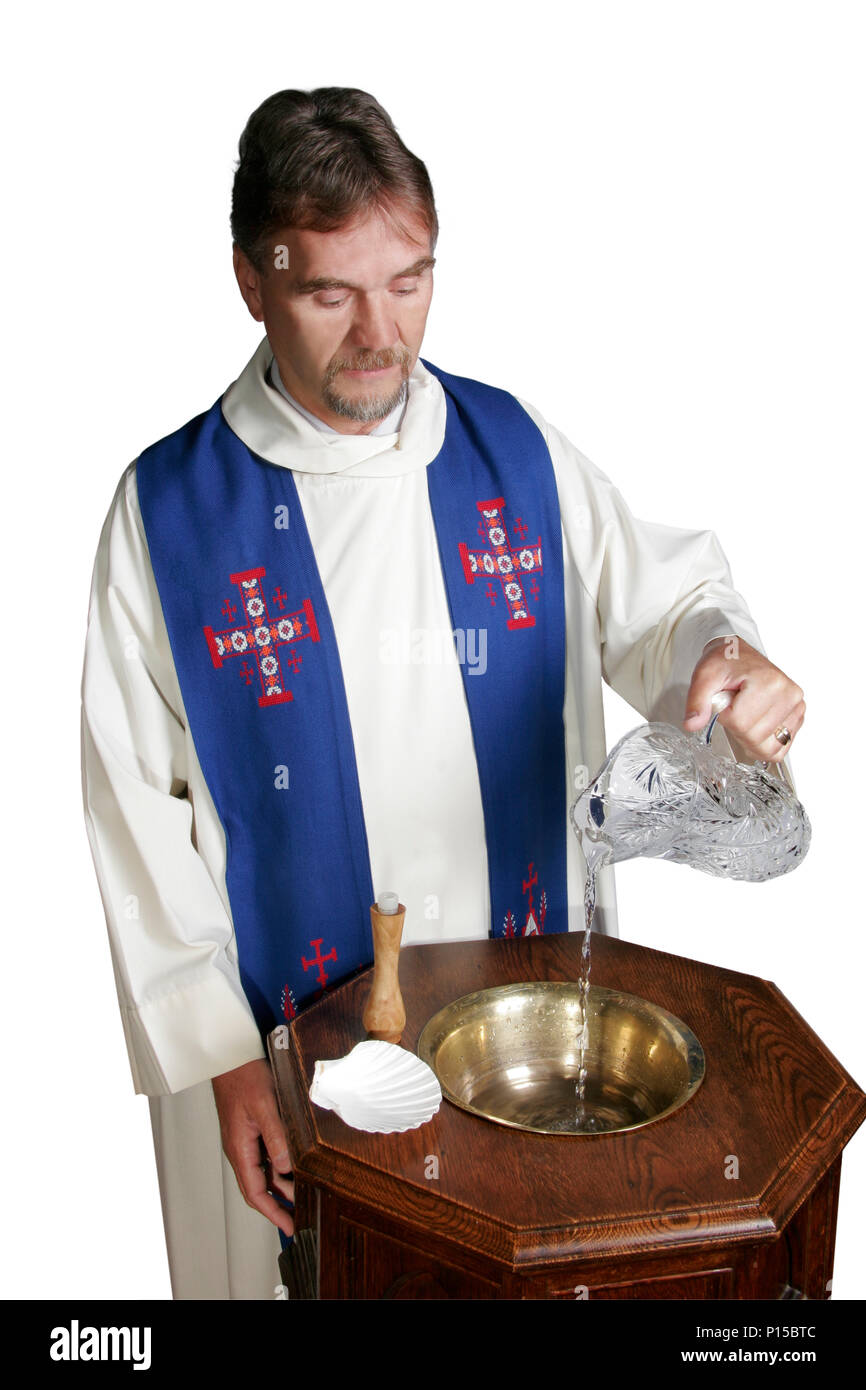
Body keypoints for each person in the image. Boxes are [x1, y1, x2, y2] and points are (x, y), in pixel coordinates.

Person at [80, 87, 805, 1301]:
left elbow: (662, 608)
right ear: (250, 284)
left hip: (524, 1042)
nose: (380, 332)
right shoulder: (165, 517)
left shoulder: (510, 451)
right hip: (279, 1052)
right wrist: (222, 1063)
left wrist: (721, 661)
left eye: (409, 280)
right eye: (329, 291)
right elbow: (132, 814)